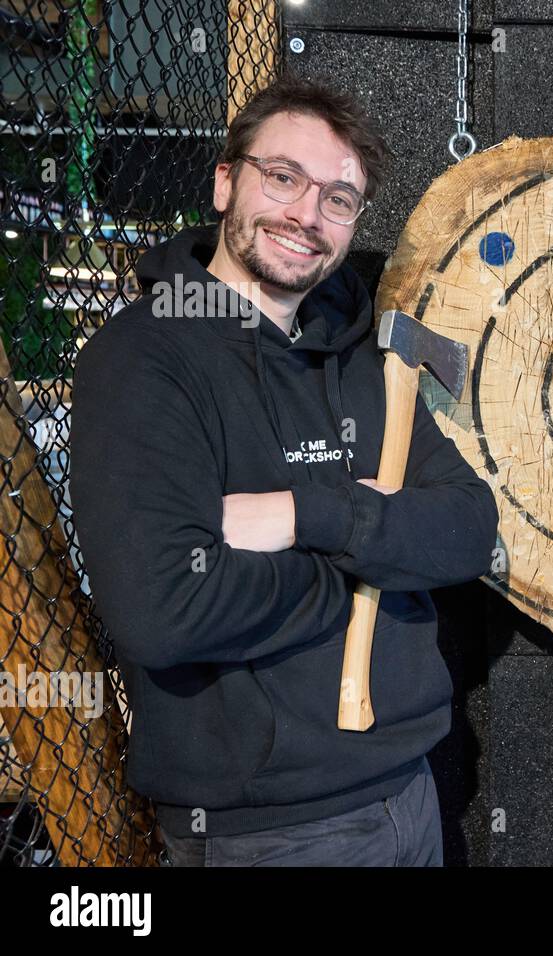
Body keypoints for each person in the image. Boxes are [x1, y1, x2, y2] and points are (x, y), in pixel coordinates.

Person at [69, 76, 498, 867]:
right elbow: (167, 608)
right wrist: (381, 559)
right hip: (267, 829)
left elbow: (469, 530)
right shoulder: (142, 362)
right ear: (226, 180)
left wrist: (308, 517)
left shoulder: (365, 359)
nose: (308, 214)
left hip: (412, 793)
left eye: (339, 198)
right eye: (284, 178)